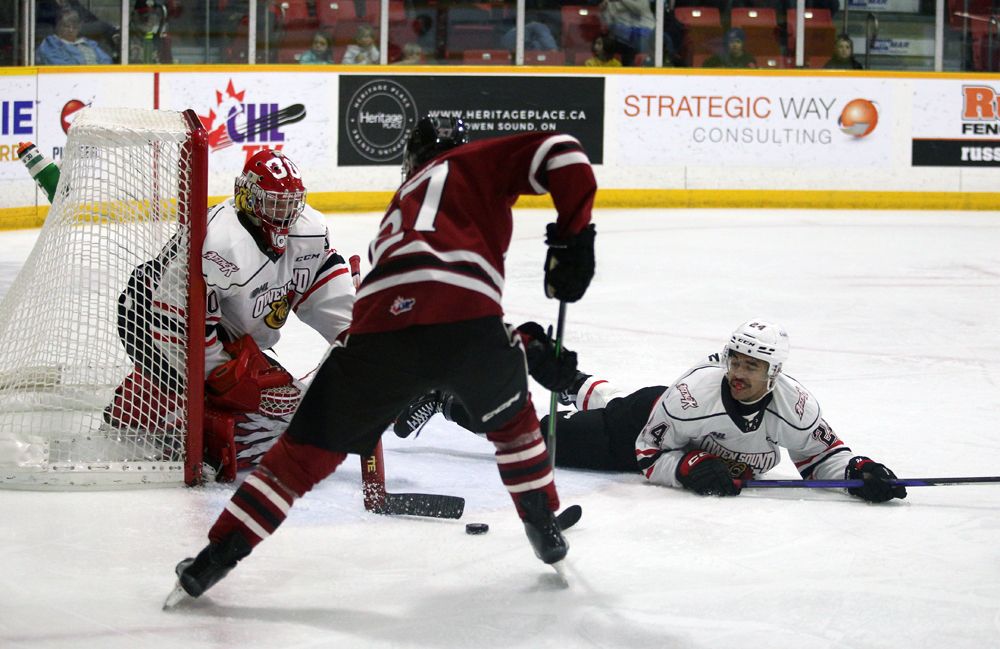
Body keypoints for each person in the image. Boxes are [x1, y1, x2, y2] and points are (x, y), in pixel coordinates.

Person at [167, 116, 598, 603]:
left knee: (296, 459)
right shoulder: (476, 161)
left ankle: (213, 559)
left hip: (379, 333)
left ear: (411, 160)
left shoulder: (401, 204)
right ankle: (542, 524)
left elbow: (405, 303)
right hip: (467, 320)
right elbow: (565, 153)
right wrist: (573, 239)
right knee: (514, 424)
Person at [398, 319, 908, 504]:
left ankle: (575, 384)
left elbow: (822, 458)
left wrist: (859, 473)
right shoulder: (694, 395)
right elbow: (647, 451)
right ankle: (448, 399)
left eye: (752, 366)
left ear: (773, 374)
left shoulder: (795, 407)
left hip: (665, 414)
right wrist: (685, 468)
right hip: (635, 431)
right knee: (531, 436)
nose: (739, 372)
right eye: (735, 360)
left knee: (623, 399)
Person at [105, 149, 354, 481]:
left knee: (286, 409)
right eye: (274, 204)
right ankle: (148, 406)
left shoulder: (309, 232)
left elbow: (326, 295)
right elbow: (178, 321)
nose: (284, 214)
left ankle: (161, 397)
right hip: (151, 318)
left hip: (218, 328)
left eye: (291, 204)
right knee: (257, 413)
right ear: (248, 198)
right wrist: (224, 377)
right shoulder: (221, 243)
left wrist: (365, 343)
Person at [36, 7, 113, 65]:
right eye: (66, 26)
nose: (71, 30)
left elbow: (106, 60)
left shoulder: (89, 43)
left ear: (79, 28)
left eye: (75, 27)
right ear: (58, 26)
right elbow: (61, 65)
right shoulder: (51, 43)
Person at [601, 0, 654, 66]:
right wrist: (605, 10)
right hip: (623, 37)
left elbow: (639, 9)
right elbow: (609, 22)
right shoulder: (613, 3)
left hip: (643, 33)